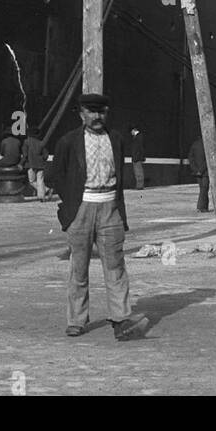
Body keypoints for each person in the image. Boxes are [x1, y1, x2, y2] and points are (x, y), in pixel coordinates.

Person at [48, 94, 148, 341]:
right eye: (91, 112)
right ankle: (77, 320)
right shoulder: (68, 141)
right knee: (78, 268)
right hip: (81, 209)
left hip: (110, 209)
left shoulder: (116, 139)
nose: (96, 117)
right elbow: (55, 175)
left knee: (115, 266)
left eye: (101, 112)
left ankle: (120, 318)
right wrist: (72, 208)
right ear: (81, 114)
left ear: (106, 113)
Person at [187, 133, 210, 213]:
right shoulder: (208, 145)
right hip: (205, 171)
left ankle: (204, 207)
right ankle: (200, 206)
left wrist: (195, 169)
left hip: (197, 171)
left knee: (203, 188)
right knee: (204, 188)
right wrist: (201, 170)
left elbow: (191, 158)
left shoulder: (194, 145)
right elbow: (208, 159)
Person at [24, 131, 48, 201]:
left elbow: (25, 154)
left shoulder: (26, 142)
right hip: (40, 164)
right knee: (40, 180)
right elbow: (46, 155)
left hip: (30, 164)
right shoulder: (41, 143)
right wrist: (42, 159)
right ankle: (42, 195)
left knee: (31, 181)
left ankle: (45, 190)